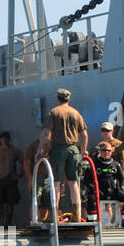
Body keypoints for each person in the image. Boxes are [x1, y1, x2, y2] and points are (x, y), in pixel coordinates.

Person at [40, 88, 89, 222]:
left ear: (58, 98)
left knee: (55, 183)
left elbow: (45, 134)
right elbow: (84, 135)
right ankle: (77, 216)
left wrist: (40, 151)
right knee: (74, 183)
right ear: (69, 99)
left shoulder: (54, 112)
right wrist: (83, 151)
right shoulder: (75, 113)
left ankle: (54, 215)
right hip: (74, 150)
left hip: (58, 149)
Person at [86, 140, 124, 224]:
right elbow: (87, 181)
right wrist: (95, 191)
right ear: (100, 151)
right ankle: (91, 221)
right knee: (91, 198)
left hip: (111, 192)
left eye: (109, 151)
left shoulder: (115, 164)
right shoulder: (93, 164)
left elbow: (121, 178)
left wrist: (121, 187)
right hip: (98, 192)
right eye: (104, 150)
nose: (106, 152)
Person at [0, 131, 22, 226]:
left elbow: (23, 161)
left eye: (6, 138)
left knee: (10, 202)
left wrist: (19, 174)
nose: (4, 140)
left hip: (11, 180)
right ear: (0, 139)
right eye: (3, 138)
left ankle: (8, 223)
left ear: (9, 139)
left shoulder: (14, 151)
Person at [23, 127, 52, 223]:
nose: (46, 135)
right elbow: (26, 162)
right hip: (37, 177)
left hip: (50, 178)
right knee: (36, 200)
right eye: (44, 133)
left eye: (48, 133)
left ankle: (42, 223)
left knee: (47, 203)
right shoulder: (34, 145)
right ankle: (34, 223)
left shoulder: (53, 145)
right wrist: (30, 178)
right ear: (40, 133)